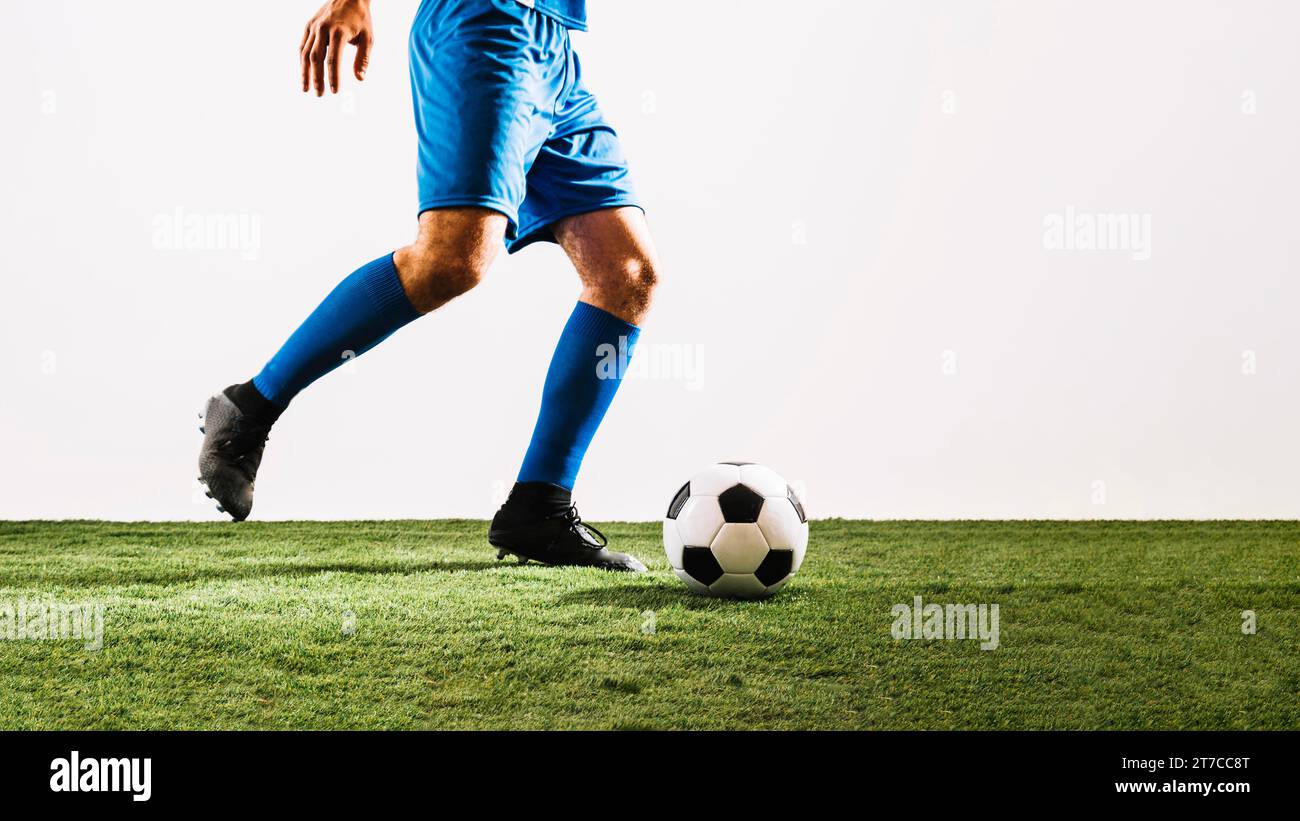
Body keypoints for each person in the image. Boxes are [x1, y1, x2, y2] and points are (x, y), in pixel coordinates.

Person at [198, 0, 657, 571]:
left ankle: (539, 507)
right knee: (452, 259)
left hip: (555, 45)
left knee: (627, 274)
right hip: (488, 26)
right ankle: (250, 407)